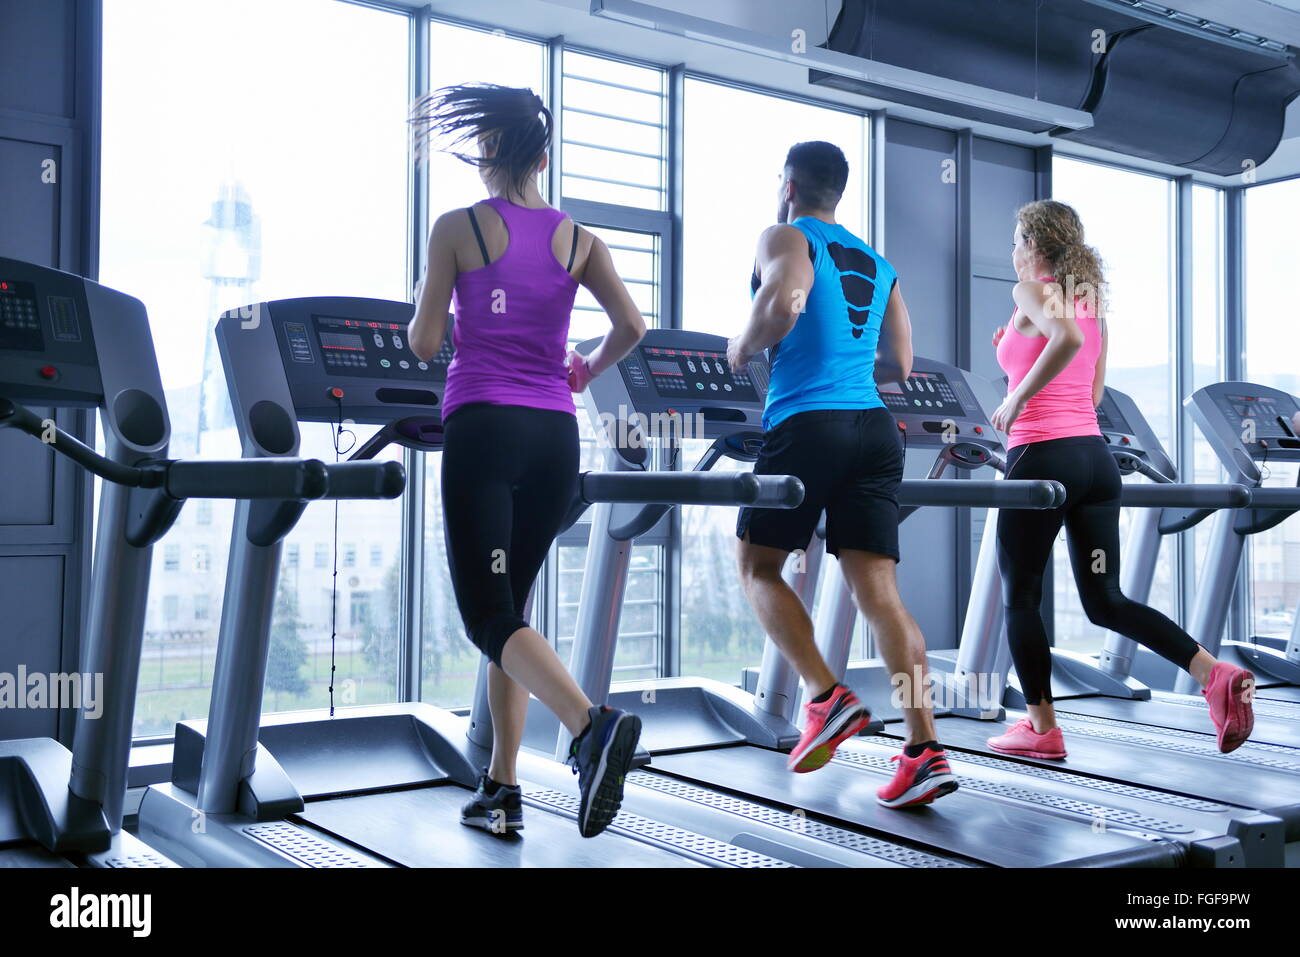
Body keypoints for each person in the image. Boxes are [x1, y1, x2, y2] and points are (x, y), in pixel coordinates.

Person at [407, 83, 647, 837]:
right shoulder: (579, 239)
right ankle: (501, 788)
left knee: (488, 616)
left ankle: (588, 726)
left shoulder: (457, 229)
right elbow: (631, 326)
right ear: (543, 157)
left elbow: (422, 341)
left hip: (484, 427)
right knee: (513, 615)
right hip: (554, 435)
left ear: (485, 156)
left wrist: (451, 316)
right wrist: (581, 367)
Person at [727, 141, 958, 808]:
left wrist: (744, 344)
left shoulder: (786, 234)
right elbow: (902, 362)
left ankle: (825, 696)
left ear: (791, 184)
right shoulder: (877, 261)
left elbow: (788, 301)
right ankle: (925, 748)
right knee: (880, 593)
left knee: (758, 567)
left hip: (809, 424)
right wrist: (846, 366)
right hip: (874, 428)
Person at [988, 199, 1255, 758]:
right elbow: (1092, 393)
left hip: (1040, 459)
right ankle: (1214, 675)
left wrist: (1015, 397)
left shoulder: (1030, 291)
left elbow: (1066, 343)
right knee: (1106, 599)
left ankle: (1041, 730)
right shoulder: (1089, 302)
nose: (1011, 250)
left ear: (1035, 243)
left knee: (1021, 597)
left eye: (1016, 238)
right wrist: (1017, 359)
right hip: (1095, 463)